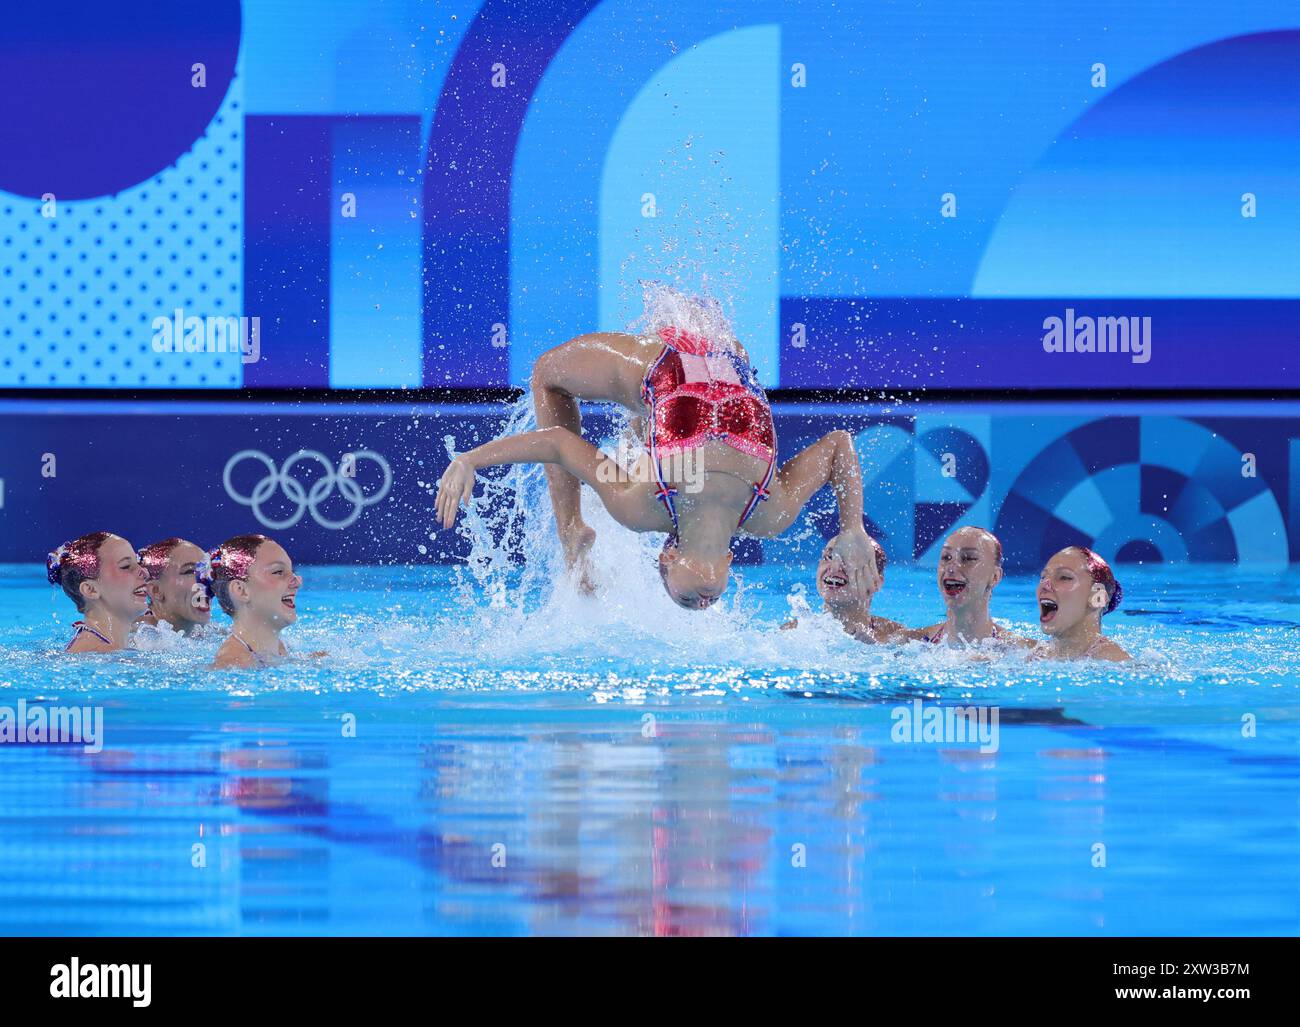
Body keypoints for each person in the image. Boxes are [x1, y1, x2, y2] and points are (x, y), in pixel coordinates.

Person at [436, 293, 879, 609]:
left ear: (666, 557)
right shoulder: (771, 515)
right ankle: (639, 427)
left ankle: (571, 530)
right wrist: (852, 526)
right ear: (729, 564)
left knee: (547, 375)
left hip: (659, 369)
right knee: (653, 423)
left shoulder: (640, 501)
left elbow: (558, 445)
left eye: (687, 598)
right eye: (710, 600)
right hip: (730, 358)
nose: (703, 603)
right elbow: (838, 445)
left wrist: (471, 459)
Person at [909, 526, 1030, 648]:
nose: (951, 568)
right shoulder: (913, 642)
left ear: (995, 577)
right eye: (946, 557)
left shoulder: (1023, 651)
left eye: (968, 558)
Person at [783, 535, 906, 642]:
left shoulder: (895, 637)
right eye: (829, 557)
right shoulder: (793, 633)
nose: (834, 567)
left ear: (875, 582)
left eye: (850, 560)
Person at [207, 534, 301, 669]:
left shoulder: (282, 650)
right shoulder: (232, 666)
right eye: (278, 572)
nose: (297, 581)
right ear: (241, 590)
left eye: (292, 572)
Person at [47, 531, 148, 653]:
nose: (145, 572)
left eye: (137, 563)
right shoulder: (95, 655)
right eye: (126, 566)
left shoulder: (115, 646)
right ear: (91, 590)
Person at [1033, 546, 1130, 661]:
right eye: (1043, 577)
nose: (1045, 585)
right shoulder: (1039, 652)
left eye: (1064, 577)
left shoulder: (1111, 659)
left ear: (1097, 597)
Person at [137, 537, 212, 635]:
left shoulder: (217, 635)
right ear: (156, 590)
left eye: (206, 569)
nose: (206, 579)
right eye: (189, 571)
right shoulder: (132, 639)